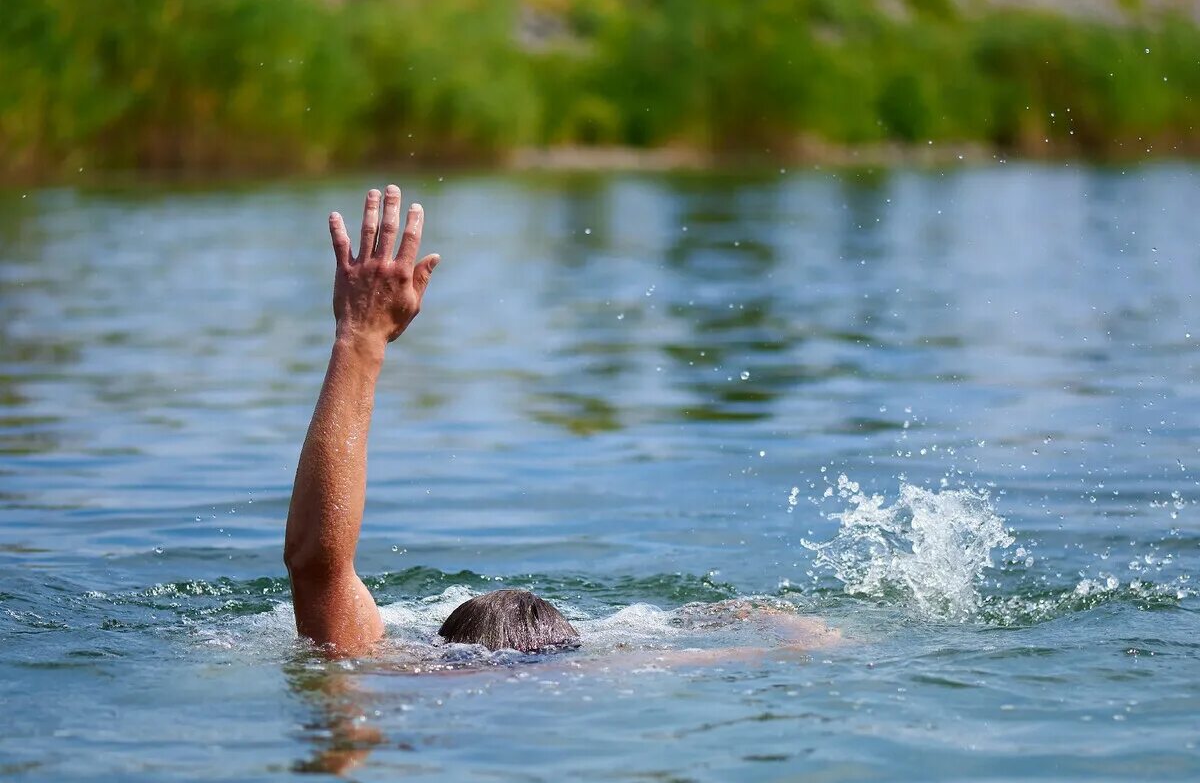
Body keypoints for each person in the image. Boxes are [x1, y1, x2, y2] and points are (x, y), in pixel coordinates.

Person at [284, 186, 837, 658]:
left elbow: (318, 568)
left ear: (439, 652)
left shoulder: (412, 678)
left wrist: (360, 337)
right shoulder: (611, 667)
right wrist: (794, 632)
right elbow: (781, 644)